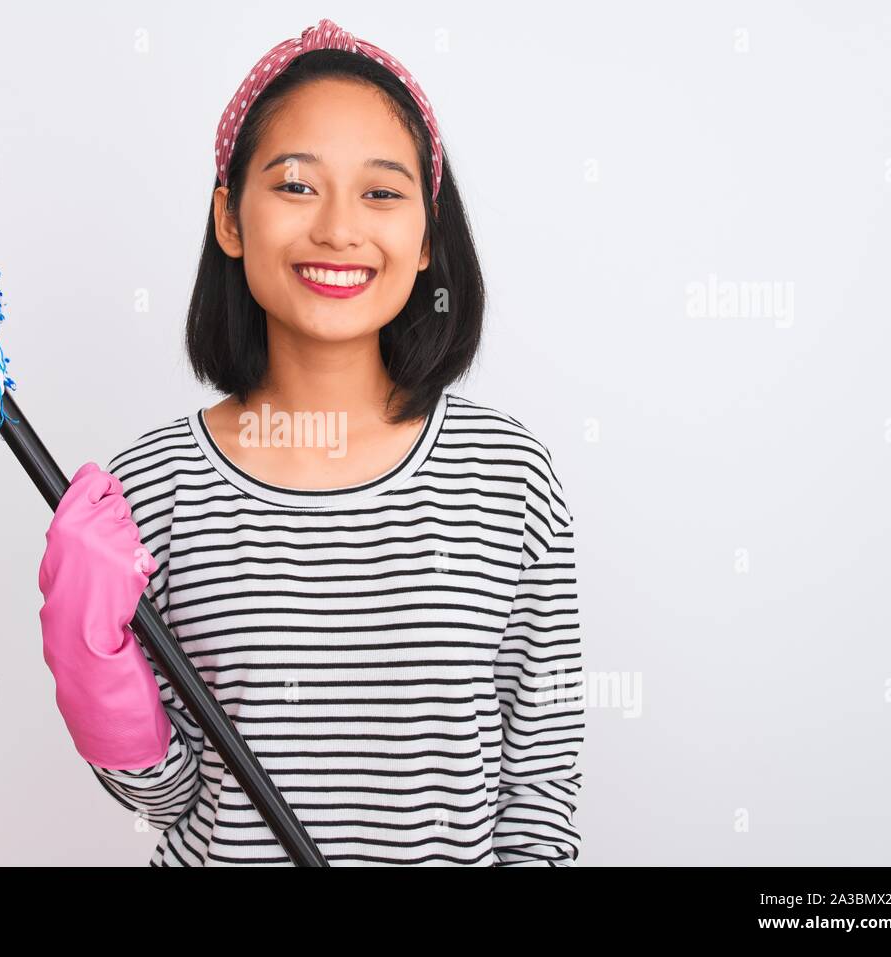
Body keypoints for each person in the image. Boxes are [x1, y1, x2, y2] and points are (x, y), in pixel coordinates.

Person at [38, 18, 585, 866]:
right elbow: (172, 801)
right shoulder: (148, 490)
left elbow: (539, 790)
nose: (337, 229)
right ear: (230, 216)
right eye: (295, 186)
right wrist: (93, 670)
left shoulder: (507, 477)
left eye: (381, 192)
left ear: (427, 237)